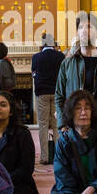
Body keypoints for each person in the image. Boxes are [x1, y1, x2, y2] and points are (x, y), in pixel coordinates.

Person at [55, 13, 97, 133]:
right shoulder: (67, 63)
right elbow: (59, 96)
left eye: (89, 27)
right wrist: (62, 124)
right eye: (81, 28)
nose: (85, 31)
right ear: (77, 32)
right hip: (73, 126)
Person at [30, 33, 63, 164]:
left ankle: (44, 157)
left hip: (42, 93)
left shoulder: (36, 57)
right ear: (53, 43)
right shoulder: (60, 56)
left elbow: (33, 73)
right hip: (56, 92)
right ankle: (59, 156)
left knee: (43, 125)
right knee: (57, 124)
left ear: (43, 43)